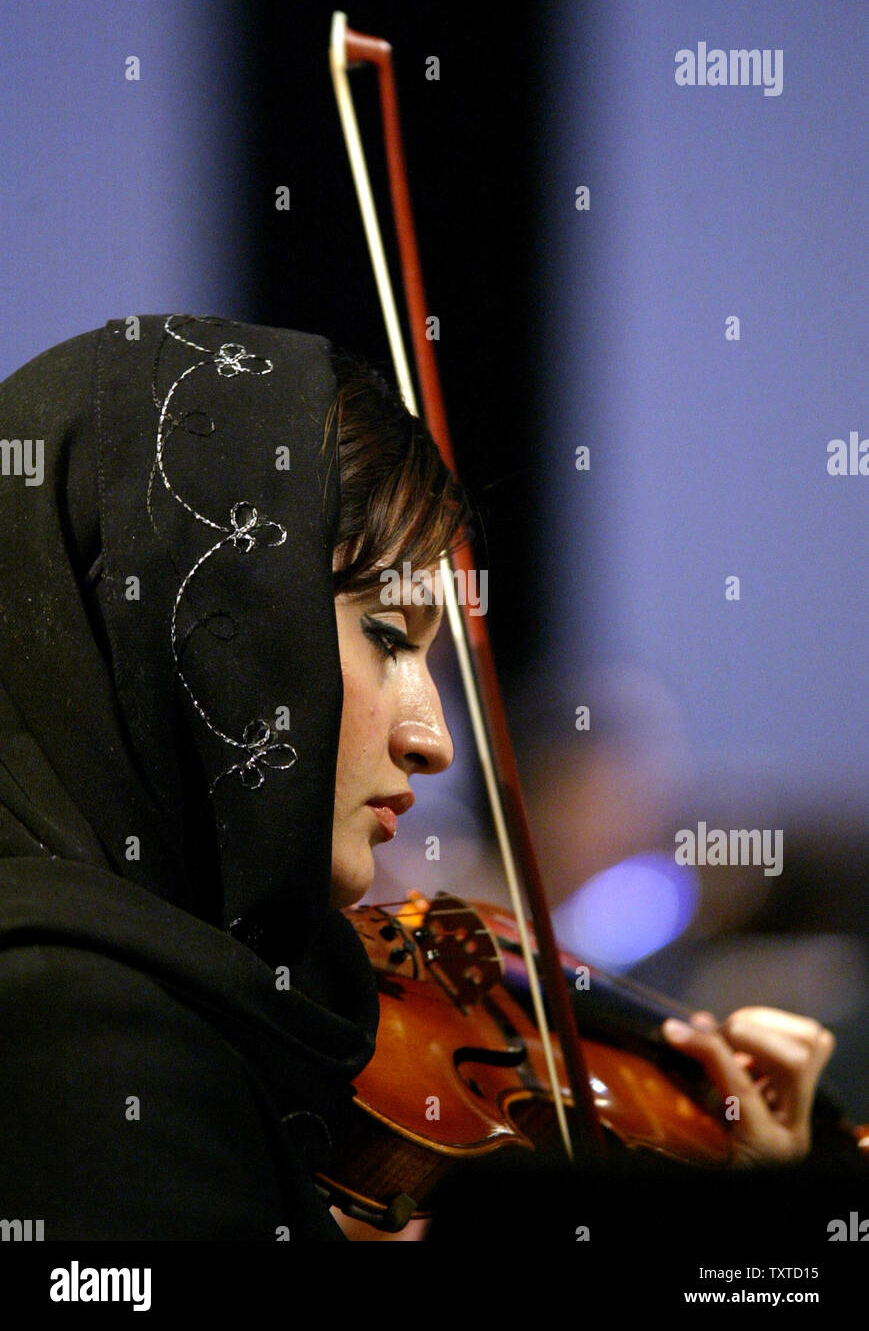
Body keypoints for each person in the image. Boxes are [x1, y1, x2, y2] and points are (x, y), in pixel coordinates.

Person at [0, 313, 836, 1242]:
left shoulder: (208, 999)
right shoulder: (79, 1026)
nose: (434, 740)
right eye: (389, 635)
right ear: (190, 621)